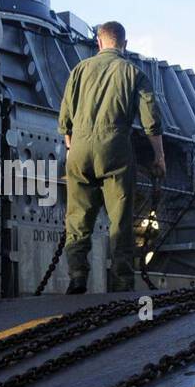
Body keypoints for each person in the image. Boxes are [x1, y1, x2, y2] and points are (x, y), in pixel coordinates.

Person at [57, 21, 165, 293]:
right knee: (120, 221)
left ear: (99, 43)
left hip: (79, 151)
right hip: (115, 151)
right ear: (124, 44)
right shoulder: (133, 72)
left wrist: (72, 148)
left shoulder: (79, 70)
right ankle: (122, 282)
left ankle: (78, 276)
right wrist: (159, 157)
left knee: (78, 220)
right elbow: (151, 121)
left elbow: (64, 121)